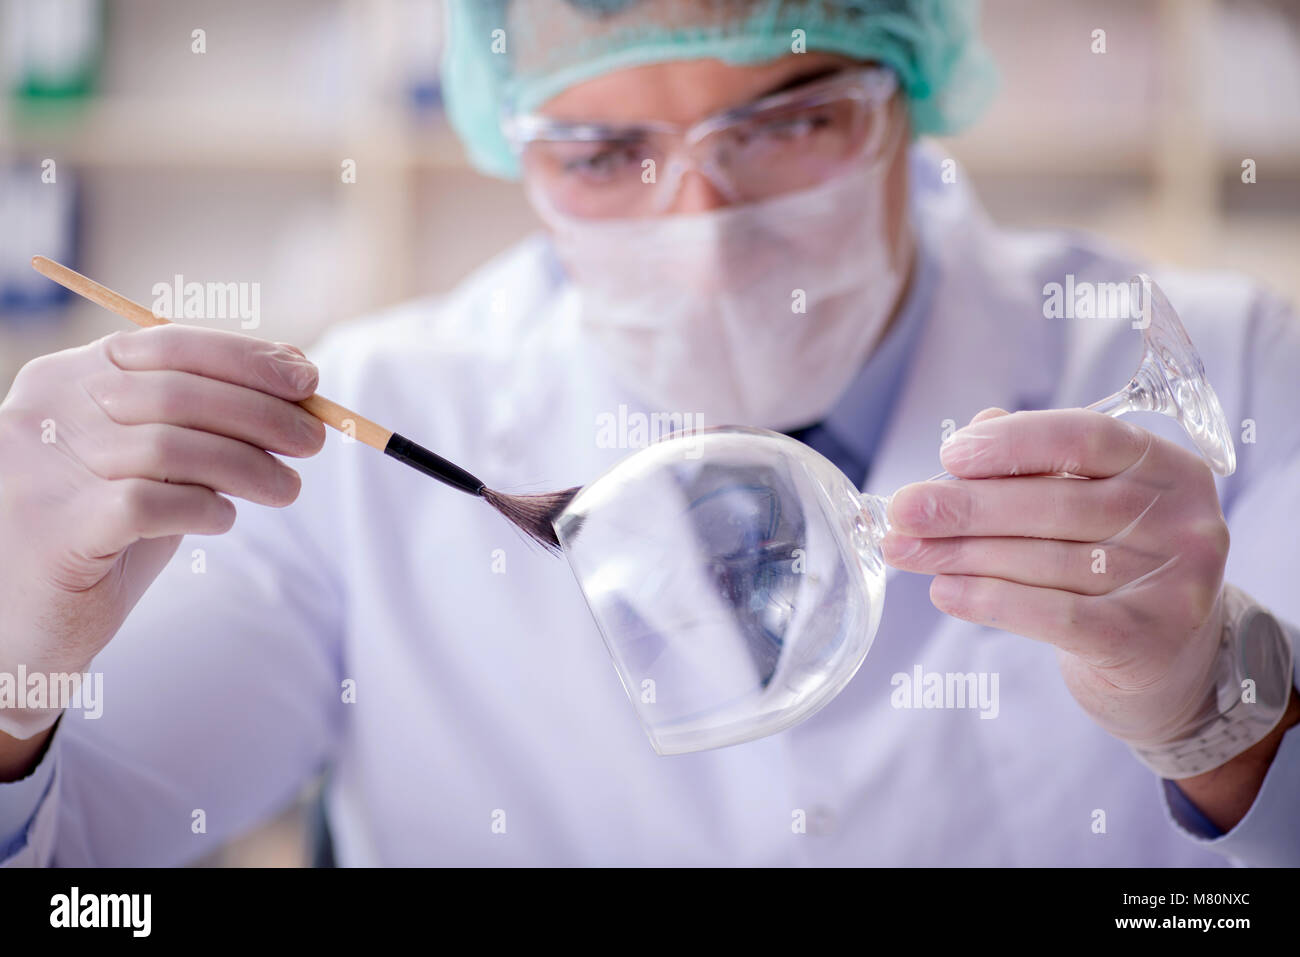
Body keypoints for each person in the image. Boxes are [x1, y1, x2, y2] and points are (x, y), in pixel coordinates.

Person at [1, 0, 1297, 867]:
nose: (704, 223)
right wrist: (16, 675)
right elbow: (77, 858)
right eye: (602, 151)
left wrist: (1214, 716)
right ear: (515, 150)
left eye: (793, 121)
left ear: (909, 88)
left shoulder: (1225, 369)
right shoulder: (365, 432)